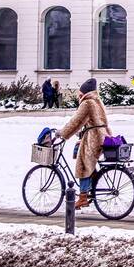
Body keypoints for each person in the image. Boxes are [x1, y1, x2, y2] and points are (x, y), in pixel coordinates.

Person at [57, 78, 110, 209]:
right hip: (102, 135)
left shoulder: (87, 103)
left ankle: (83, 197)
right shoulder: (97, 101)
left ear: (85, 93)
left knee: (83, 164)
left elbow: (76, 121)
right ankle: (91, 188)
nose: (79, 96)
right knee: (90, 164)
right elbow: (87, 121)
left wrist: (63, 133)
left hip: (94, 137)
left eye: (80, 93)